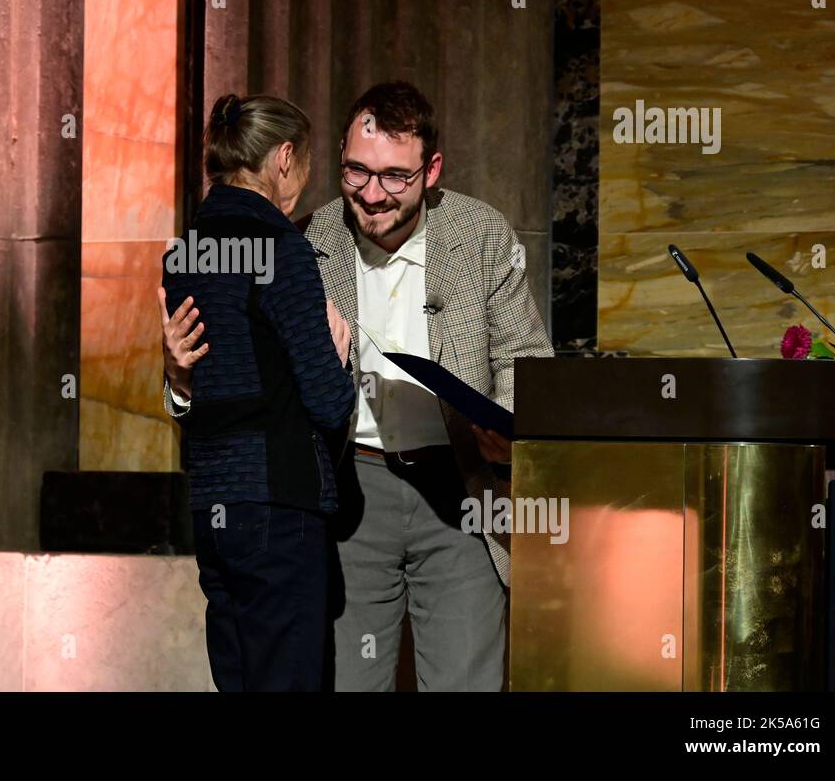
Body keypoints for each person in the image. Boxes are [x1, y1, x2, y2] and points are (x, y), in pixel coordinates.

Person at [162, 81, 554, 691]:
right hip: (349, 492)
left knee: (465, 681)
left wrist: (502, 426)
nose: (372, 195)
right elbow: (239, 382)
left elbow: (526, 358)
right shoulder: (302, 240)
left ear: (432, 169)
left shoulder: (480, 235)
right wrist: (178, 381)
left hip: (461, 487)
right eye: (356, 172)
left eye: (396, 177)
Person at [159, 92, 355, 692]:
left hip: (214, 508)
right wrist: (341, 361)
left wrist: (176, 383)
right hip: (280, 506)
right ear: (283, 158)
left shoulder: (186, 252)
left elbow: (204, 387)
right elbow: (327, 400)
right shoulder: (283, 250)